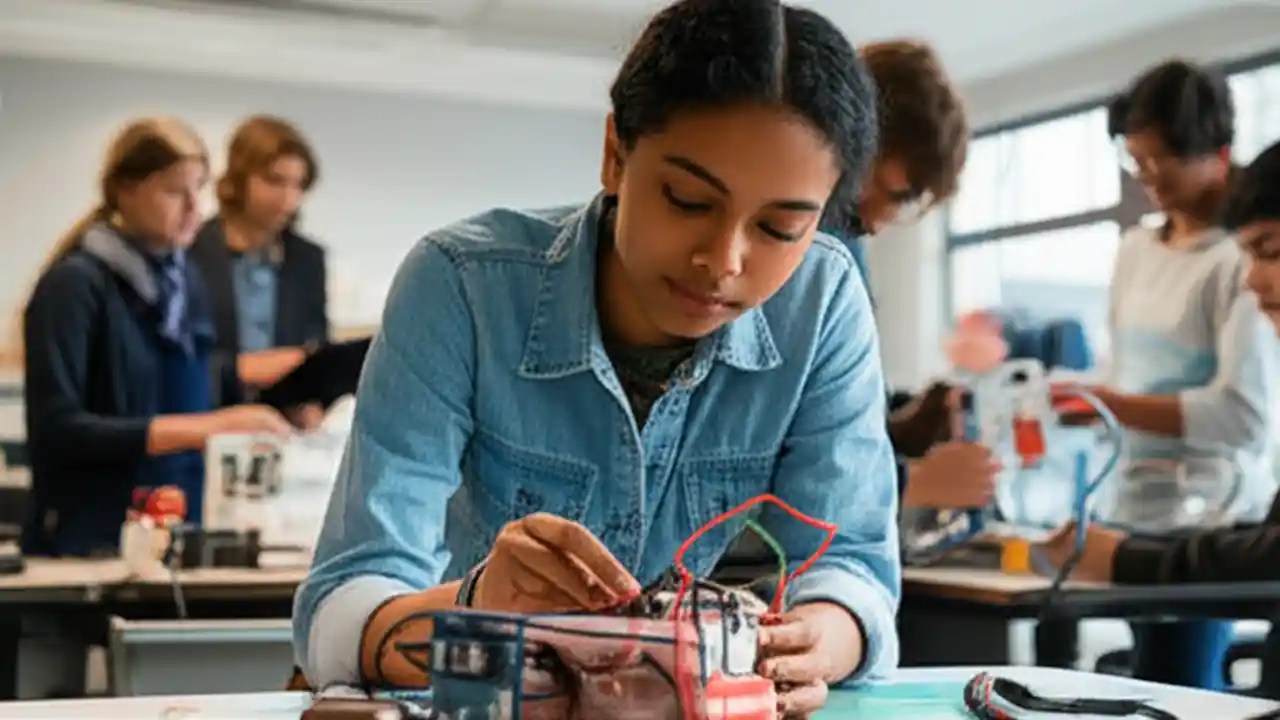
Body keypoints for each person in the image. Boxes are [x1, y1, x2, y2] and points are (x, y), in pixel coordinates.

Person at [292, 1, 899, 714]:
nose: (723, 261)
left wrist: (816, 638)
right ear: (616, 153)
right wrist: (481, 609)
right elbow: (339, 616)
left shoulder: (824, 302)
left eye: (780, 228)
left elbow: (854, 572)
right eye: (687, 199)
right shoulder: (462, 286)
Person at [1055, 59, 1275, 691]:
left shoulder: (1237, 258)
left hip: (1210, 518)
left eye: (1163, 160)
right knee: (1144, 684)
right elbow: (1124, 374)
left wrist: (1112, 403)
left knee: (1183, 684)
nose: (1149, 176)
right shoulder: (1134, 250)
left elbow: (1243, 417)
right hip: (1132, 504)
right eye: (1137, 160)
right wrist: (1083, 401)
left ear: (1217, 153)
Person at [21, 118, 291, 558]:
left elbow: (193, 385)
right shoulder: (75, 286)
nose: (194, 208)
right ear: (123, 190)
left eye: (198, 190)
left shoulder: (185, 282)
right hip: (88, 541)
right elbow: (59, 429)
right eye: (174, 191)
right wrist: (204, 428)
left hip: (179, 532)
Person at [838, 39, 994, 513]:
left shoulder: (849, 246)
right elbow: (777, 453)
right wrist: (912, 483)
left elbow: (836, 426)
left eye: (904, 203)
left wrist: (905, 426)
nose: (880, 219)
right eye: (891, 191)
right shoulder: (789, 249)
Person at [190, 115, 328, 428]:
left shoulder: (308, 259)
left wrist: (315, 400)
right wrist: (247, 368)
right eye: (275, 181)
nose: (289, 200)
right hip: (204, 419)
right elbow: (172, 361)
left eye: (298, 185)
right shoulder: (190, 252)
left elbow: (315, 344)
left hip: (283, 425)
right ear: (239, 178)